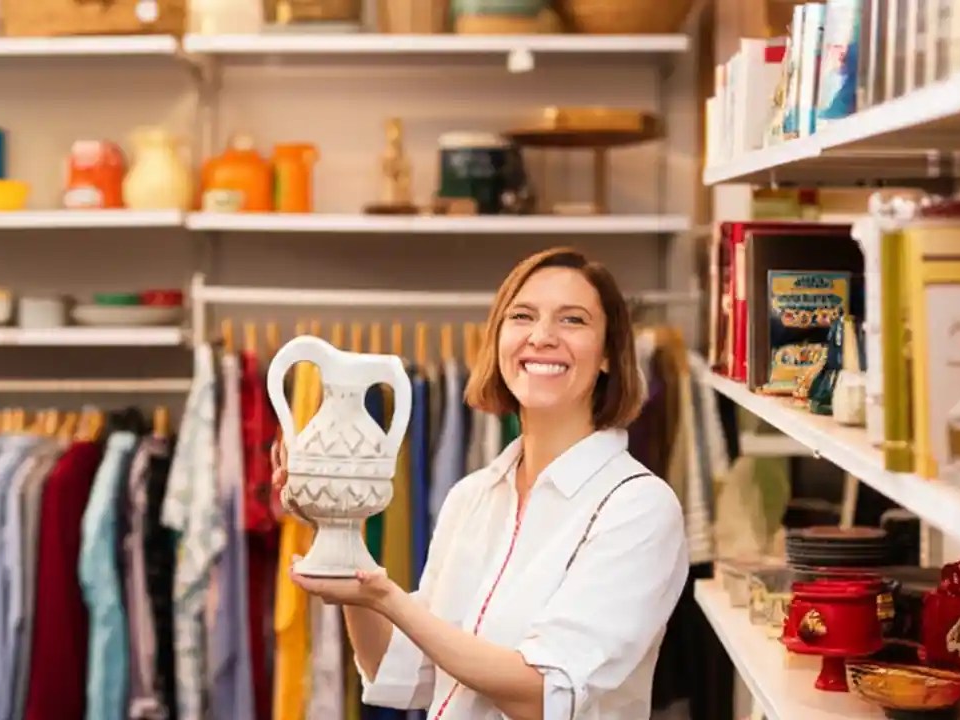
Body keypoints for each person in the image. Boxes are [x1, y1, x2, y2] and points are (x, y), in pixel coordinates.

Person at [271, 247, 690, 719]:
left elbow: (542, 694)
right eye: (522, 316)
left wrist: (387, 598)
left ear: (609, 355)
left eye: (572, 320)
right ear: (498, 341)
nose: (542, 336)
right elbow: (402, 673)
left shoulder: (637, 508)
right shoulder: (472, 497)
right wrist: (337, 528)